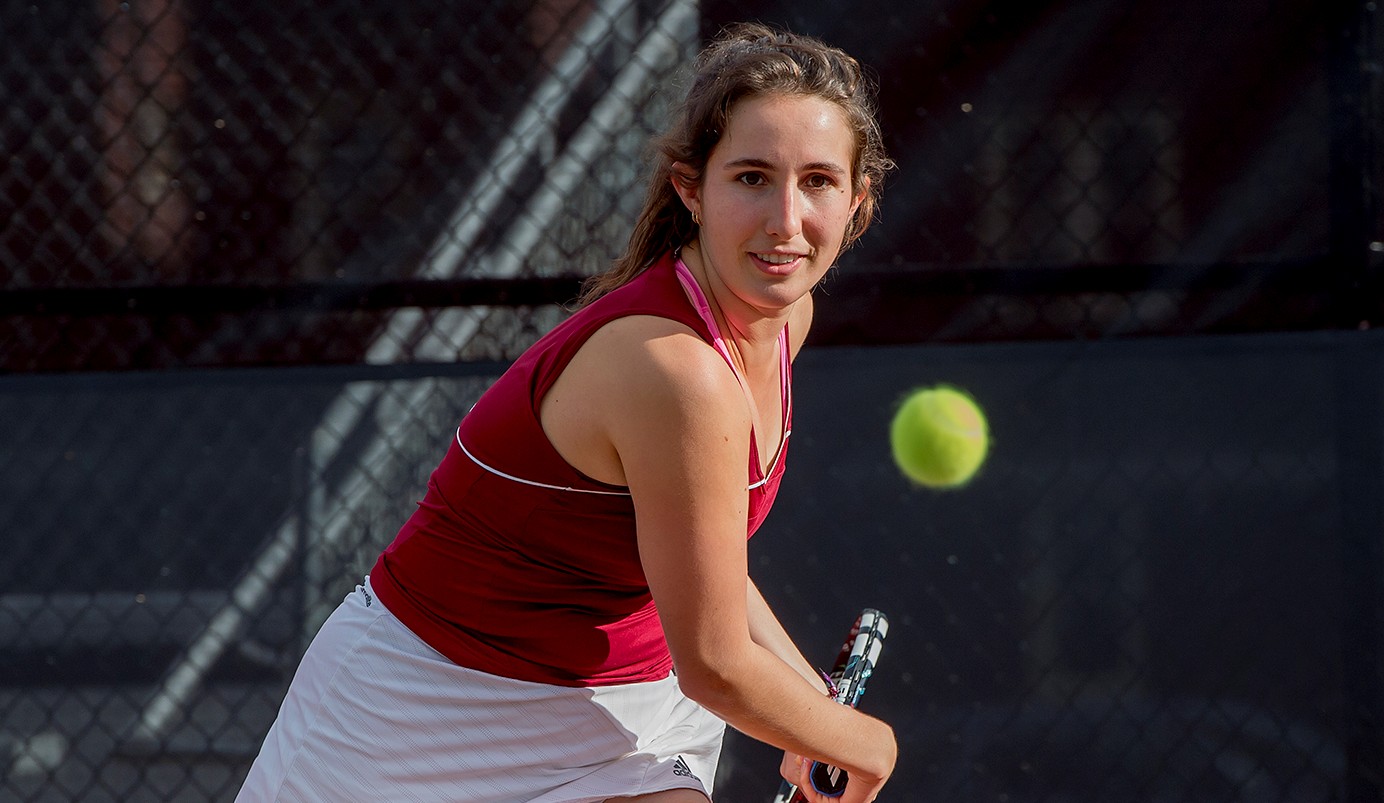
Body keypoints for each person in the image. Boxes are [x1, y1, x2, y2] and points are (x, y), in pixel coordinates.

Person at [237, 21, 896, 803]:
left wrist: (808, 713)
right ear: (692, 188)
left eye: (818, 181)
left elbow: (704, 561)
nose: (786, 220)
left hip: (626, 703)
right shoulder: (676, 370)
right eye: (751, 177)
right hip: (418, 708)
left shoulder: (786, 319)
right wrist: (869, 742)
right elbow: (718, 662)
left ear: (858, 202)